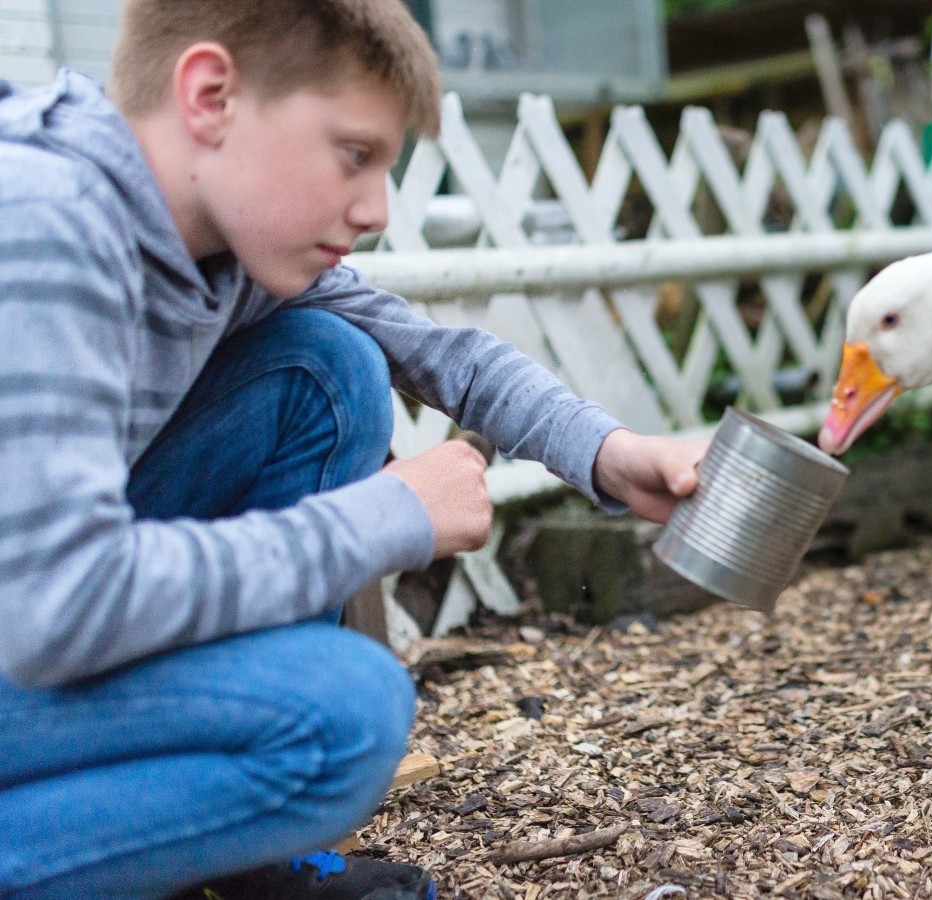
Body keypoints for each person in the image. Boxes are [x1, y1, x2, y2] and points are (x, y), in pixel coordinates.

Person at [0, 1, 708, 897]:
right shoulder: (42, 220)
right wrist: (388, 516)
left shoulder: (218, 245)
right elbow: (54, 606)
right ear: (210, 96)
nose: (376, 209)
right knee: (340, 714)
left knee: (328, 366)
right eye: (355, 155)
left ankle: (234, 855)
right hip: (33, 622)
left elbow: (445, 357)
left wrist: (610, 453)